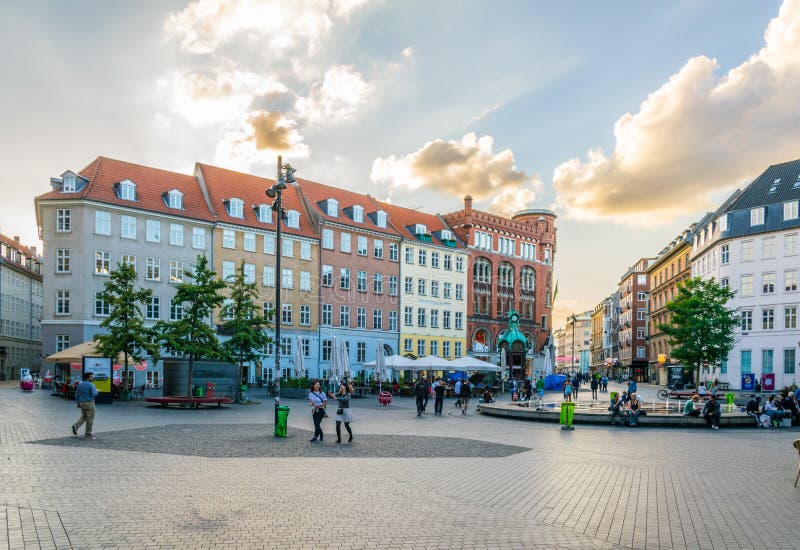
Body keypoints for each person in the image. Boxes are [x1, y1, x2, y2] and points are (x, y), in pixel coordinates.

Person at [71, 372, 98, 439]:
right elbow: (94, 394)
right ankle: (88, 433)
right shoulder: (91, 385)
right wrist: (97, 391)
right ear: (88, 377)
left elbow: (77, 394)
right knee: (90, 418)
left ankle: (76, 426)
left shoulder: (80, 384)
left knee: (84, 417)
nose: (93, 378)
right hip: (90, 403)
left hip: (82, 403)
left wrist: (77, 402)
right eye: (91, 376)